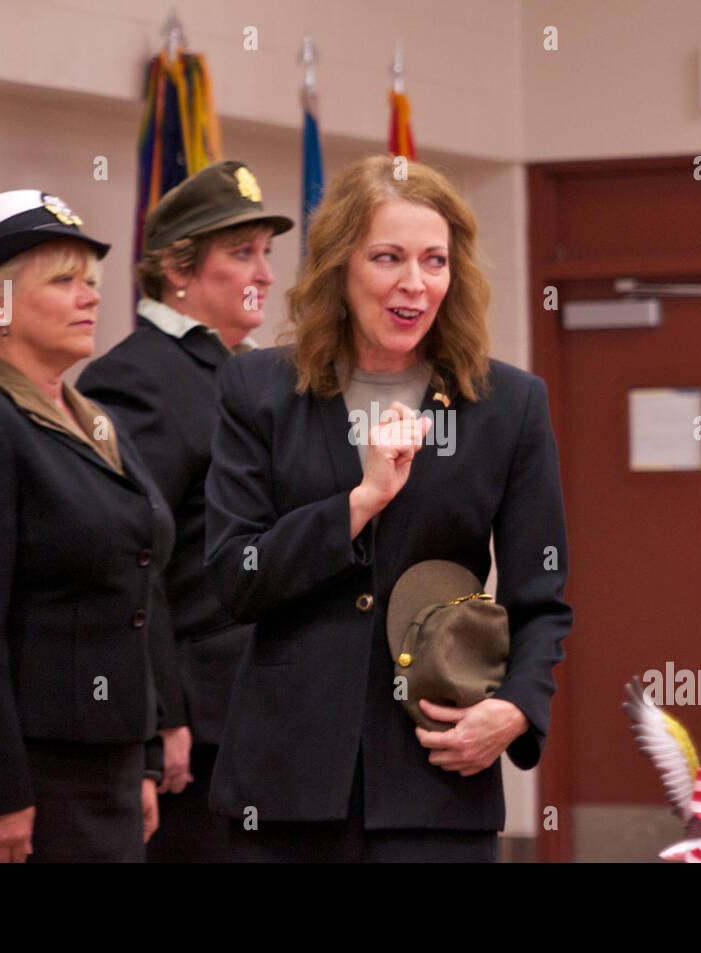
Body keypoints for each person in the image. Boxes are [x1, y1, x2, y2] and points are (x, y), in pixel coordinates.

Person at [203, 155, 573, 861]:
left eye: (435, 260)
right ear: (340, 265)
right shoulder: (258, 391)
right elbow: (234, 576)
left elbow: (541, 597)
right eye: (388, 257)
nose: (415, 282)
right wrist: (359, 502)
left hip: (437, 783)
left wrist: (516, 706)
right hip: (286, 788)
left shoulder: (509, 405)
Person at [0, 190, 175, 862]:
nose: (90, 297)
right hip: (28, 774)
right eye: (64, 281)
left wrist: (144, 755)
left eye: (90, 281)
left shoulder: (96, 425)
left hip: (109, 766)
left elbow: (136, 593)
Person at [78, 161, 293, 861]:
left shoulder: (256, 374)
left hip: (268, 706)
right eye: (241, 253)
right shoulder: (137, 376)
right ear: (177, 268)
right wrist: (161, 716)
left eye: (266, 252)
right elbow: (137, 562)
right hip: (200, 725)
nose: (263, 271)